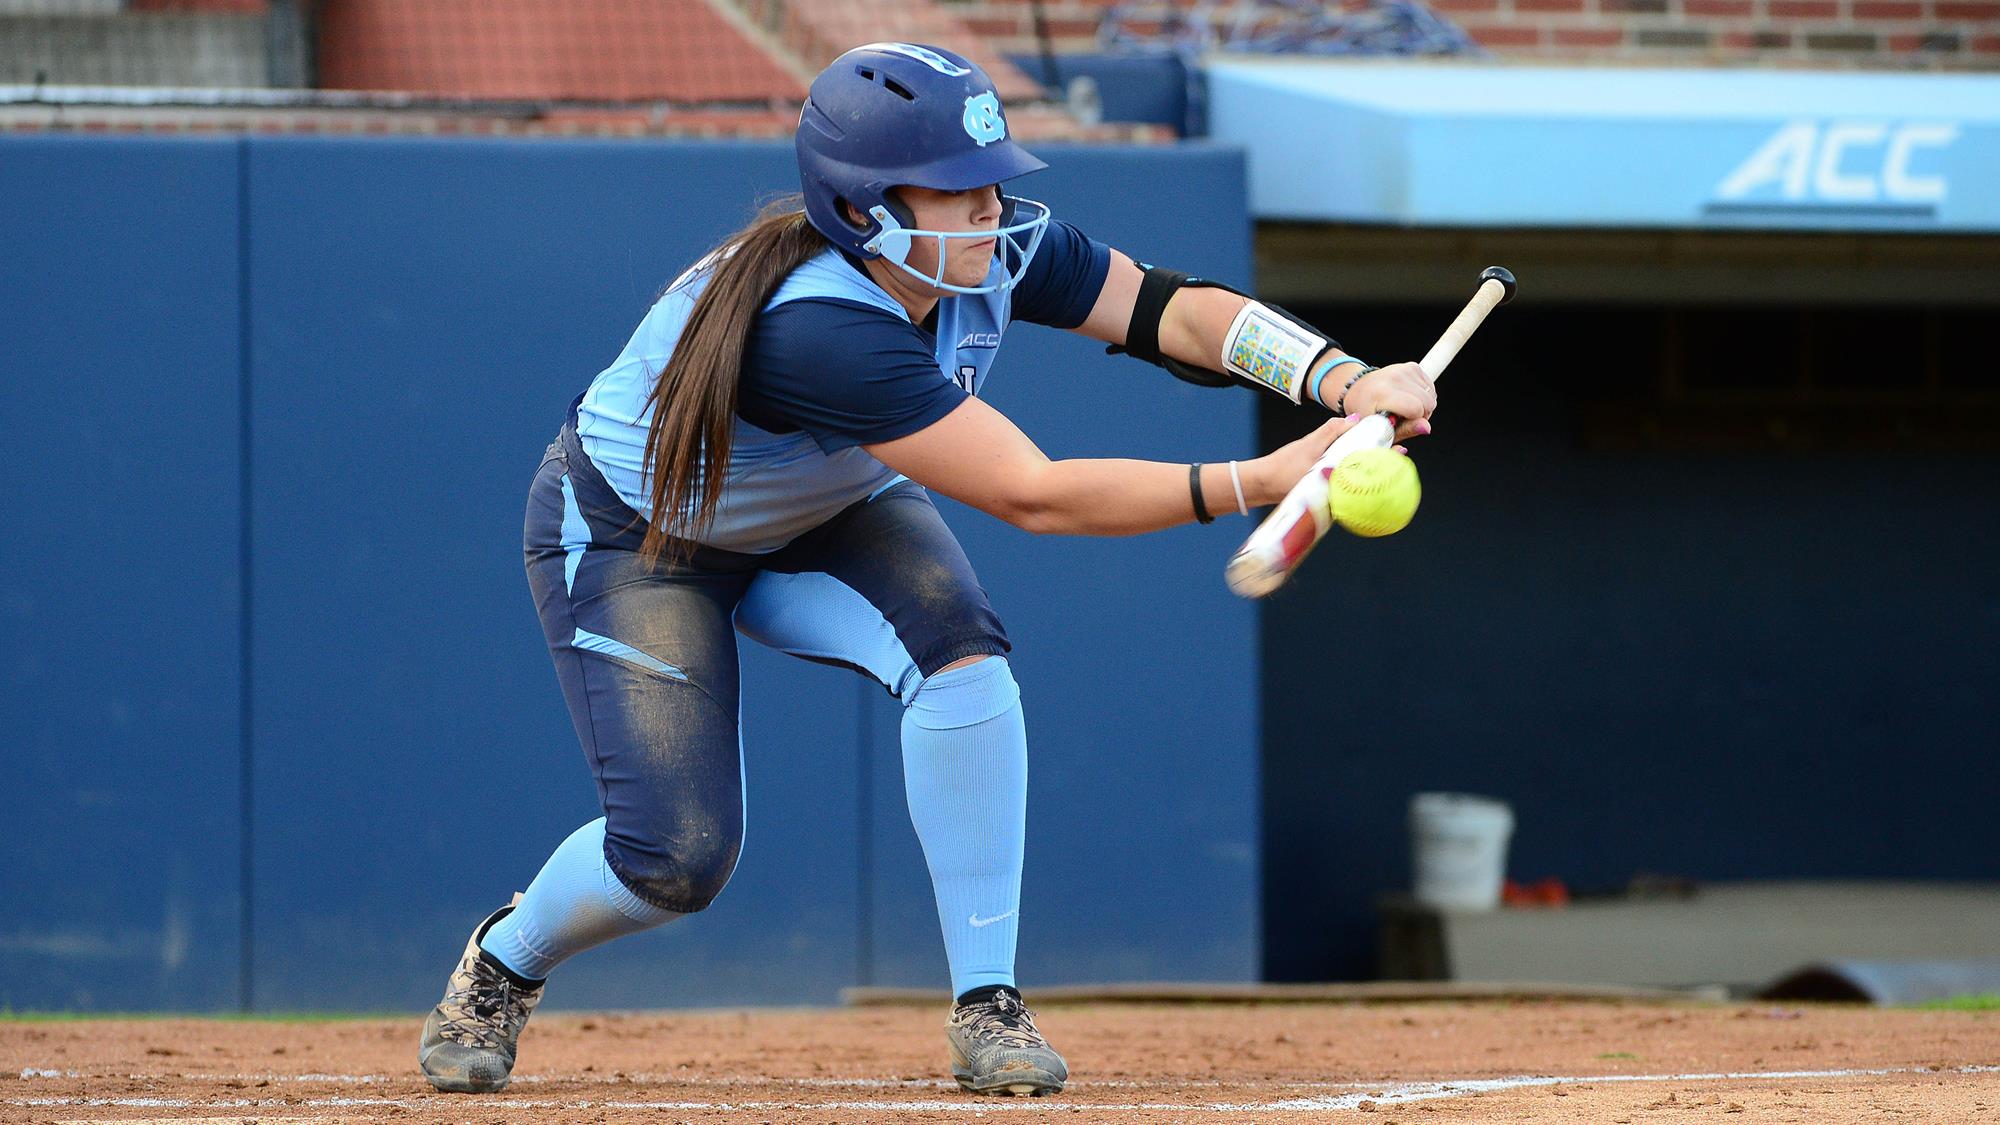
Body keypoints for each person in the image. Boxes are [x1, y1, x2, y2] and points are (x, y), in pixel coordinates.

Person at [416, 41, 1438, 1100]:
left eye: (992, 180)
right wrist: (1260, 479)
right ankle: (504, 963)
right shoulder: (819, 328)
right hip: (639, 544)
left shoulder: (993, 248)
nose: (990, 207)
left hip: (825, 510)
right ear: (863, 210)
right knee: (675, 858)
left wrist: (1342, 378)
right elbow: (1034, 494)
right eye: (956, 188)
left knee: (964, 658)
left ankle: (987, 1003)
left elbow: (1172, 311)